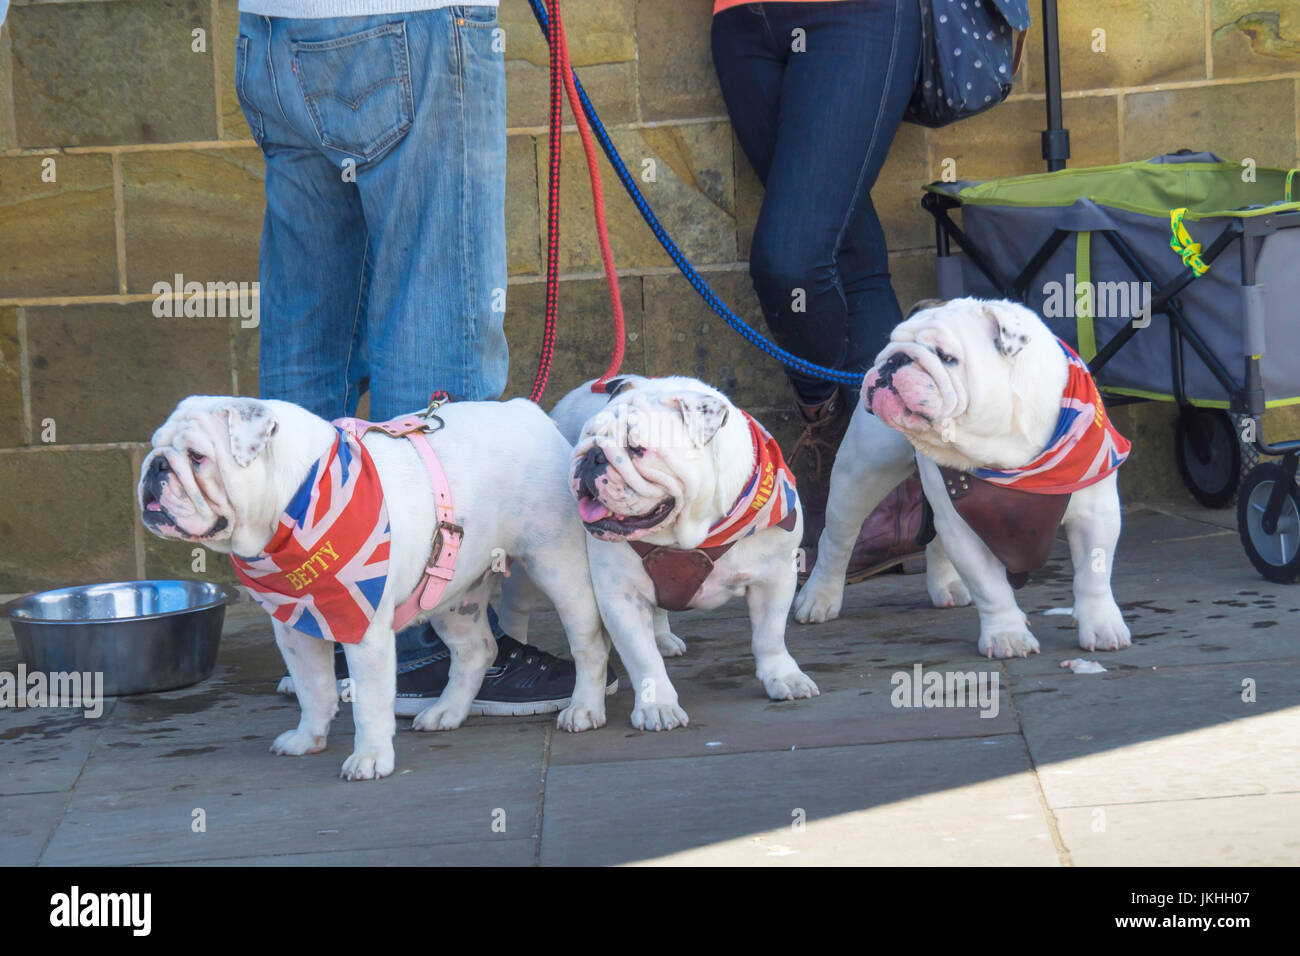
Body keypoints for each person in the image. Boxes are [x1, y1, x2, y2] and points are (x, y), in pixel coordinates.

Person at [235, 0, 601, 714]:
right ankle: (422, 643)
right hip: (408, 23)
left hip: (272, 35)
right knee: (437, 316)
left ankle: (323, 626)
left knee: (312, 323)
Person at [711, 0, 927, 580]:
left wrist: (820, 400)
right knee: (845, 245)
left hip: (853, 16)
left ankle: (835, 429)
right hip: (740, 22)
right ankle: (890, 512)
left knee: (789, 260)